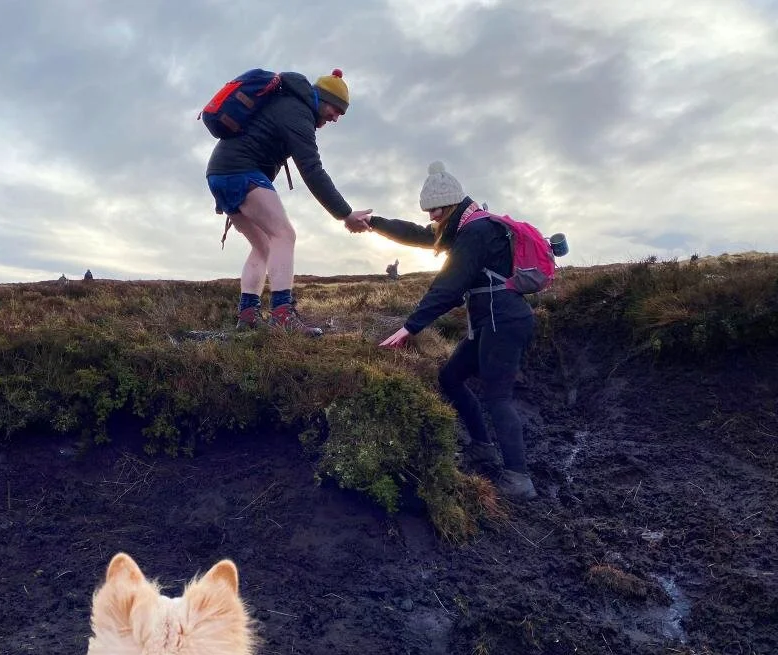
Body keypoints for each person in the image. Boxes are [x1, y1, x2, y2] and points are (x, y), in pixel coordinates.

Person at [353, 161, 537, 501]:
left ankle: (518, 478)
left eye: (435, 211)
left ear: (451, 204)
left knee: (497, 397)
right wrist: (375, 224)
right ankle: (483, 448)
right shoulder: (463, 227)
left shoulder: (476, 232)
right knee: (450, 377)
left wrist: (410, 326)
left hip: (504, 322)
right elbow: (417, 234)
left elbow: (449, 286)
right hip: (489, 320)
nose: (431, 218)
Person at [205, 69, 371, 335]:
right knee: (284, 234)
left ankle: (247, 315)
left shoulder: (286, 104)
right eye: (336, 109)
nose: (336, 118)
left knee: (263, 246)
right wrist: (346, 214)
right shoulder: (297, 111)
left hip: (221, 174)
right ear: (323, 98)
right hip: (239, 172)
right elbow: (312, 171)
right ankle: (282, 315)